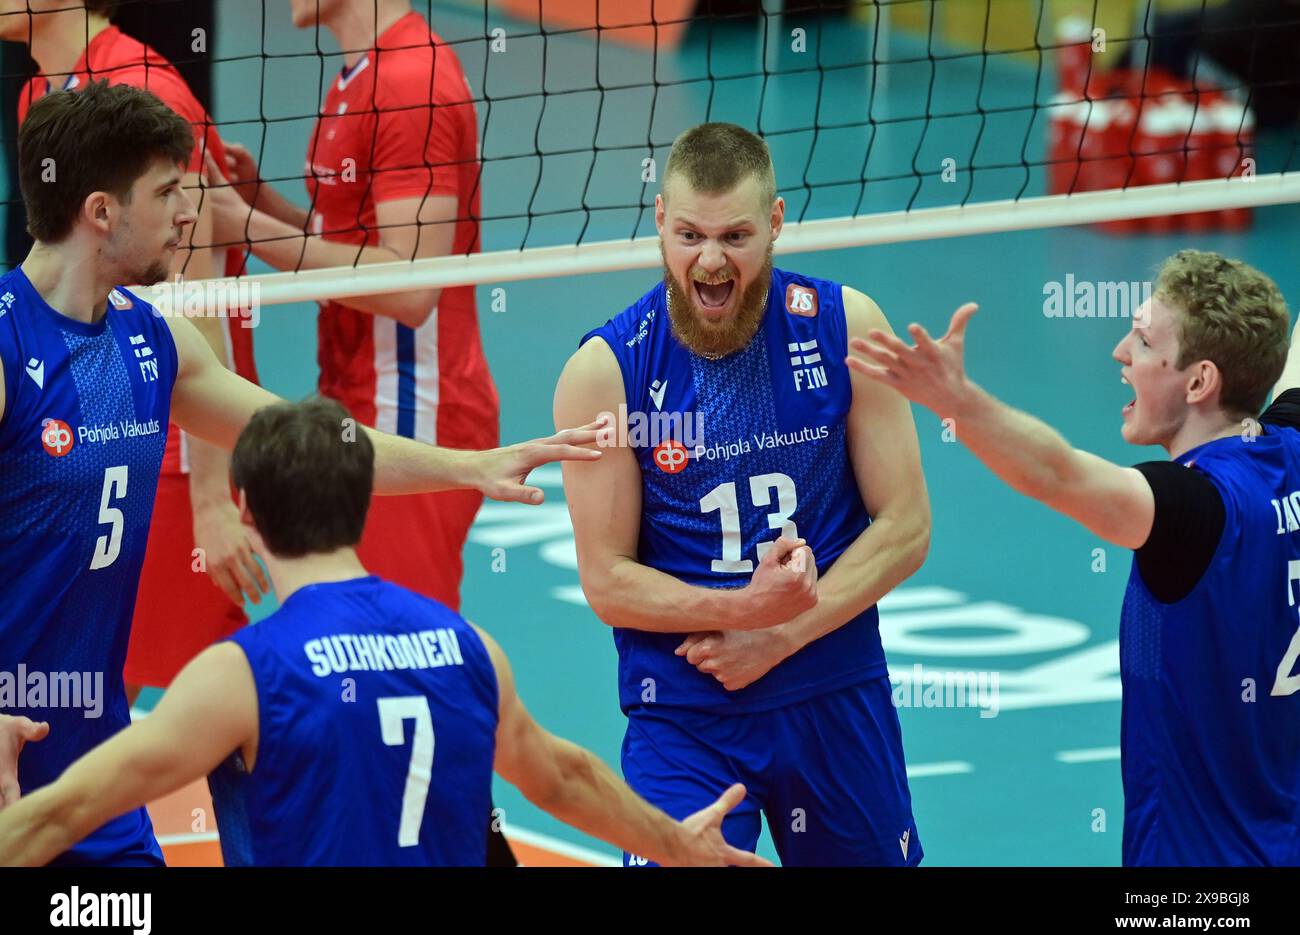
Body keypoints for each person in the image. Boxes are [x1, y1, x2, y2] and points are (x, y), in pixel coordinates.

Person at [0, 80, 599, 865]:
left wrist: (472, 466)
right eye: (169, 192)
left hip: (92, 767)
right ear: (101, 212)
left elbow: (306, 440)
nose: (190, 211)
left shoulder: (155, 341)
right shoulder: (10, 348)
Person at [0, 398, 766, 867]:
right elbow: (561, 777)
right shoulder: (470, 649)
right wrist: (675, 843)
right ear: (364, 505)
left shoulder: (241, 677)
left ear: (247, 517)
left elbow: (69, 810)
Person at [554, 123, 933, 866]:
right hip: (688, 712)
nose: (711, 260)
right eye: (690, 234)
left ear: (777, 224)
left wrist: (780, 632)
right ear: (660, 219)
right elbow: (607, 581)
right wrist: (741, 613)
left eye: (736, 236)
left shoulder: (844, 327)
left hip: (833, 687)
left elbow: (907, 526)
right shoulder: (606, 371)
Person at [849, 249, 1300, 865]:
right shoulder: (1290, 449)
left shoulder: (1194, 511)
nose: (1120, 352)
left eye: (1142, 343)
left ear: (1198, 382)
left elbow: (1056, 474)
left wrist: (953, 397)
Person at [3, 0, 268, 698]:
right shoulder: (43, 92)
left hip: (170, 426)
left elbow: (198, 288)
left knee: (204, 680)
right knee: (91, 665)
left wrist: (213, 498)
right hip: (89, 410)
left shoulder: (141, 85)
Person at [206, 0, 496, 612]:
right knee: (350, 635)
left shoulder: (410, 80)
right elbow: (357, 243)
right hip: (356, 397)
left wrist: (250, 227)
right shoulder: (360, 75)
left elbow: (412, 287)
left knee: (403, 654)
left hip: (414, 409)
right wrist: (263, 206)